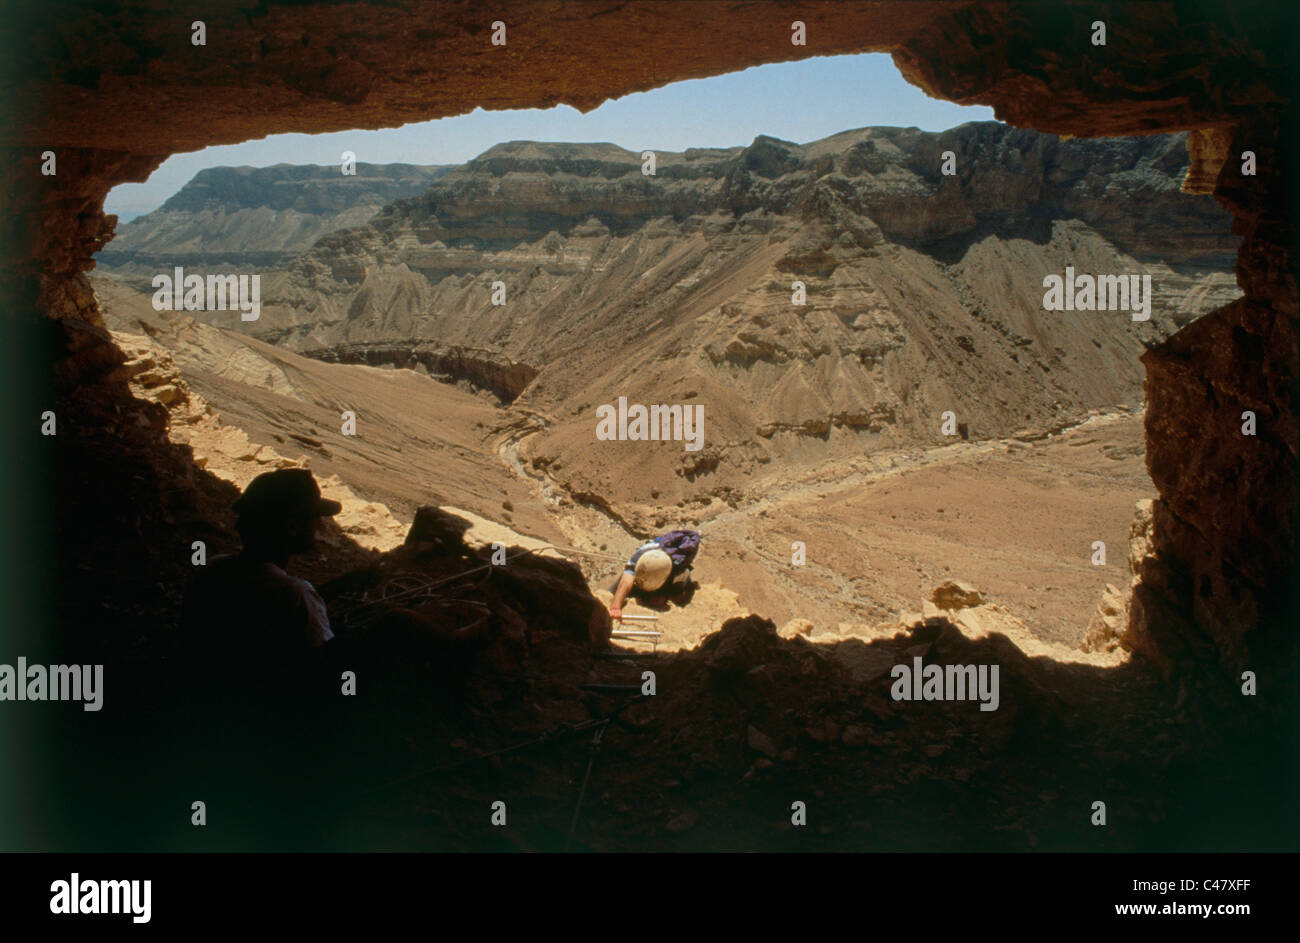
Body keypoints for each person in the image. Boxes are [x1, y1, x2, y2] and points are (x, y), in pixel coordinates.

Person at [182, 468, 342, 672]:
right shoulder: (295, 596)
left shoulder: (211, 570)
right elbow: (321, 668)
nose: (319, 524)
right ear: (292, 527)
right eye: (314, 517)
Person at [608, 529, 701, 620]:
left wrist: (664, 595)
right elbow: (626, 581)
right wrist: (615, 607)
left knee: (672, 598)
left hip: (669, 573)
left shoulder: (678, 564)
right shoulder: (641, 555)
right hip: (650, 570)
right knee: (614, 592)